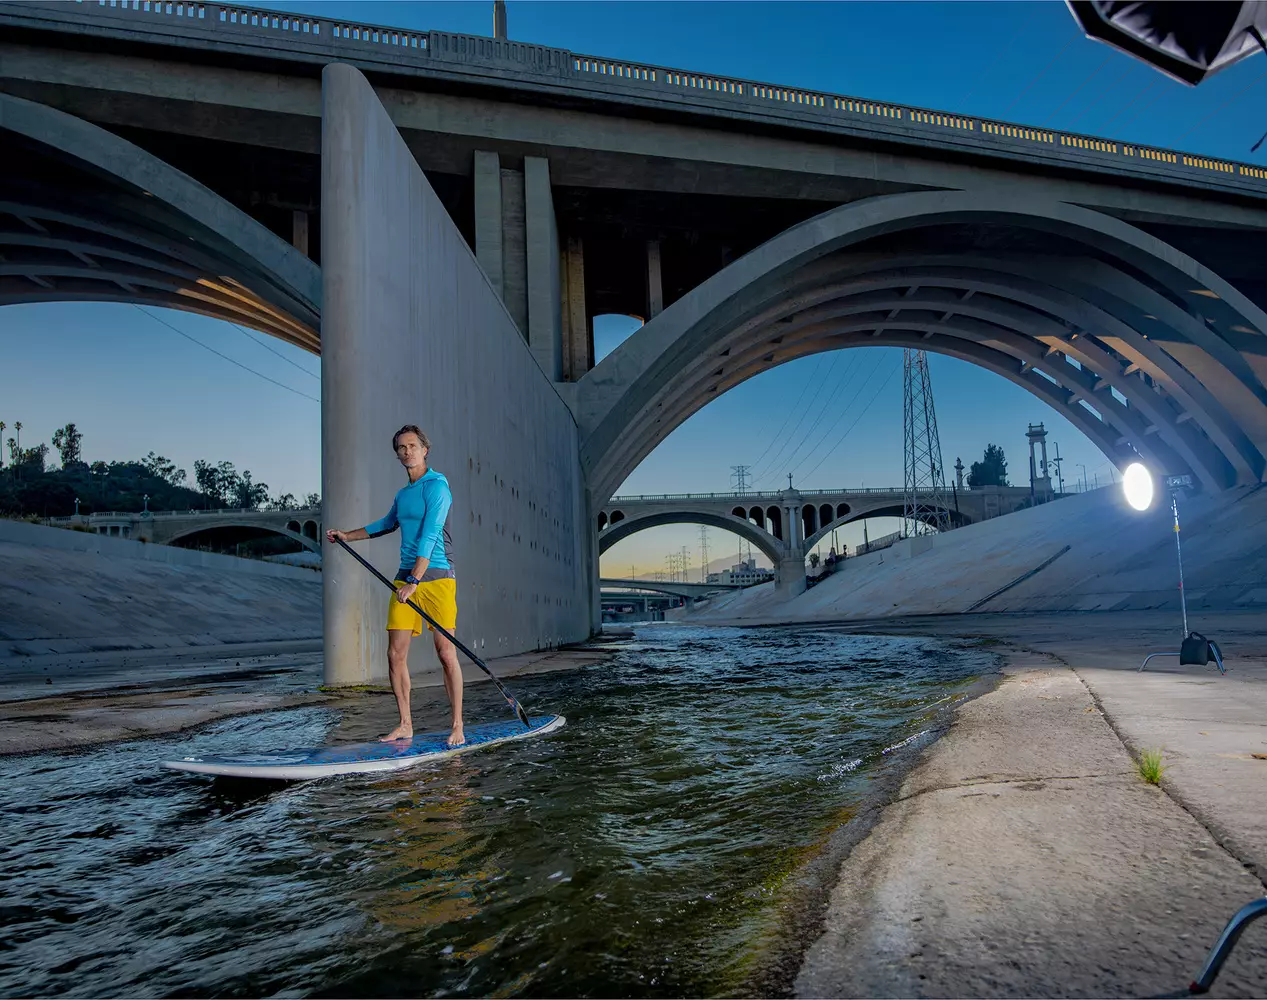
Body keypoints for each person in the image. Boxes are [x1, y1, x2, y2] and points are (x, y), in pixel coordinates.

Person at [326, 425, 463, 746]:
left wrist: (415, 580)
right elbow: (385, 525)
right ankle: (405, 724)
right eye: (401, 447)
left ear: (425, 449)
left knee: (446, 653)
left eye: (412, 446)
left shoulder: (438, 487)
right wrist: (347, 535)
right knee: (395, 654)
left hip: (437, 578)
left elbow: (430, 535)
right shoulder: (403, 495)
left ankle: (457, 724)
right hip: (405, 578)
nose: (406, 452)